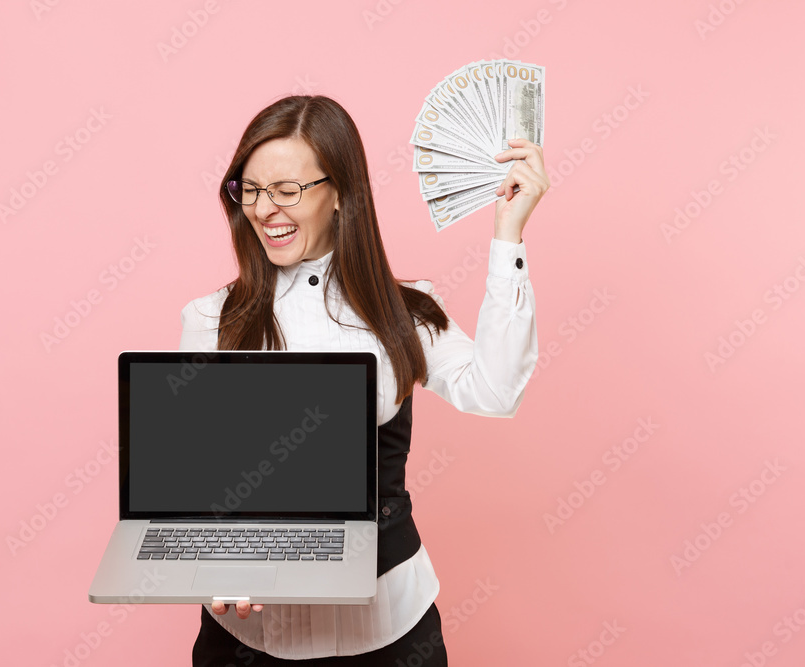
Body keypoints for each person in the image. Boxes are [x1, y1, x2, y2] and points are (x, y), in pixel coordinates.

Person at [179, 95, 548, 665]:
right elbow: (198, 474)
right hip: (246, 640)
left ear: (340, 193)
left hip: (390, 632)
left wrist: (508, 237)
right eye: (249, 190)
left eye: (286, 190)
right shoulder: (210, 318)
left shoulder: (405, 312)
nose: (263, 209)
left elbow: (496, 392)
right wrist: (212, 560)